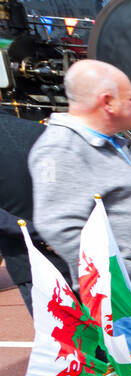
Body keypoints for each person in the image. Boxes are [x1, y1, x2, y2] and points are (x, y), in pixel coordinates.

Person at [28, 60, 131, 350]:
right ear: (107, 102)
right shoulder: (62, 148)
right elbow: (58, 225)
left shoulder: (108, 142)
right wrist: (122, 276)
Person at [0, 114, 48, 317]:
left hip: (28, 259)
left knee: (68, 344)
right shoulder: (42, 131)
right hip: (76, 251)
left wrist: (38, 232)